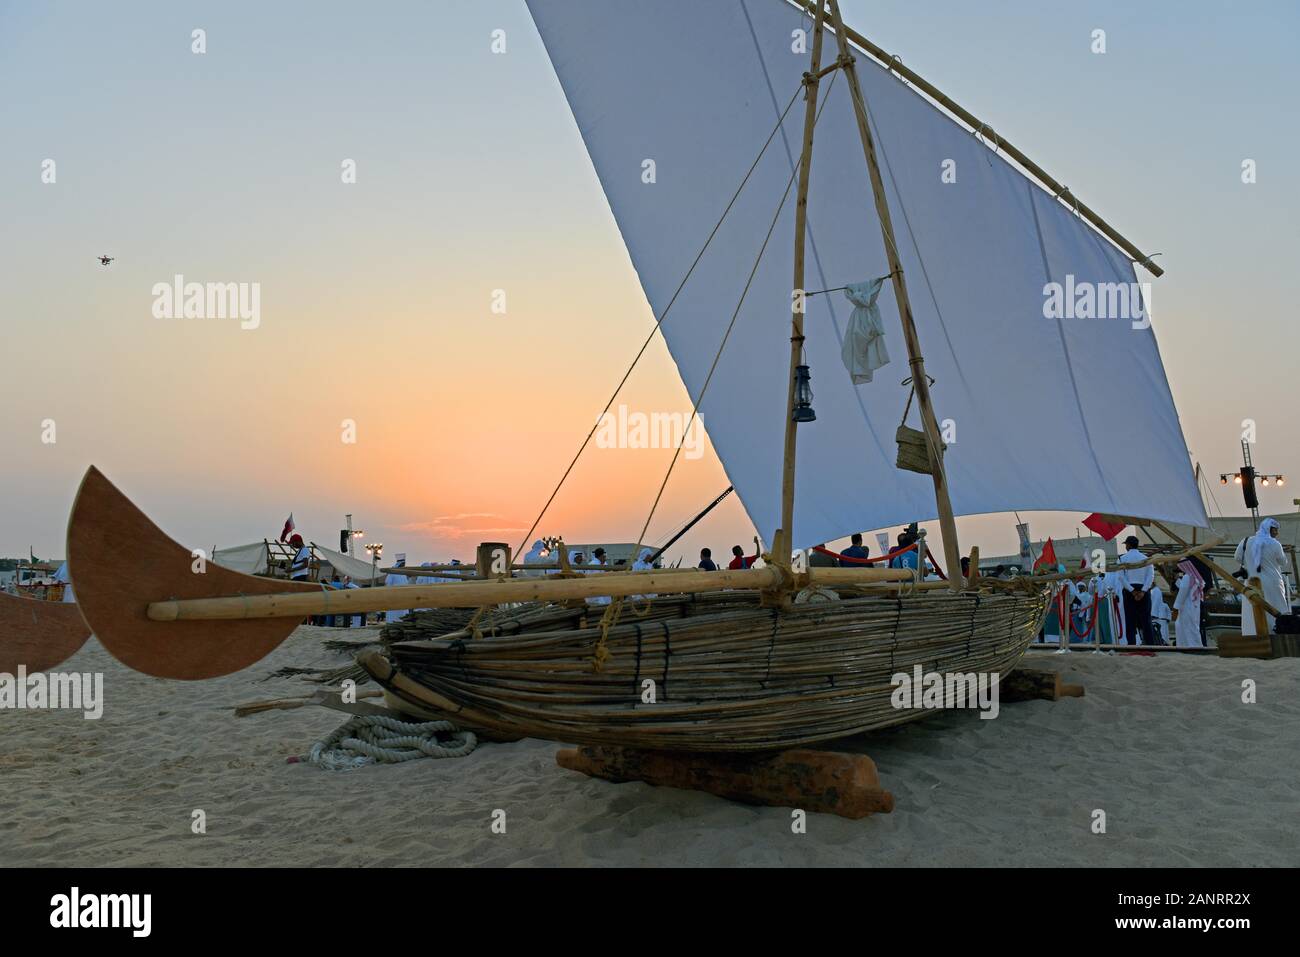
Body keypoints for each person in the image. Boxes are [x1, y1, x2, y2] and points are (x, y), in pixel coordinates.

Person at [1235, 517, 1290, 635]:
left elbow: (1238, 558)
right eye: (1275, 530)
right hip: (1272, 582)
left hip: (1251, 582)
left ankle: (1251, 636)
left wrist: (1250, 563)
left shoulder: (1245, 541)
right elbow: (1283, 562)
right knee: (1276, 608)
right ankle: (1276, 634)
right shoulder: (1275, 544)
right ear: (1269, 529)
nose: (1277, 533)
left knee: (1251, 611)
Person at [1118, 535, 1155, 645]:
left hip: (1130, 590)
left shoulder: (1122, 558)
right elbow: (1151, 576)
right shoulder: (1146, 558)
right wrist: (1143, 591)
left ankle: (1132, 645)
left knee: (1130, 620)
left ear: (1128, 545)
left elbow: (1121, 577)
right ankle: (1150, 646)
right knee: (1146, 620)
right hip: (1144, 589)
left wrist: (1132, 591)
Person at [1171, 561, 1205, 648]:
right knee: (1190, 627)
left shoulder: (1187, 577)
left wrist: (1175, 608)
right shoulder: (1193, 577)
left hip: (1187, 608)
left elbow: (1182, 593)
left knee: (1188, 627)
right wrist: (1177, 580)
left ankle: (1192, 646)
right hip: (1193, 608)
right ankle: (1191, 646)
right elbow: (1187, 588)